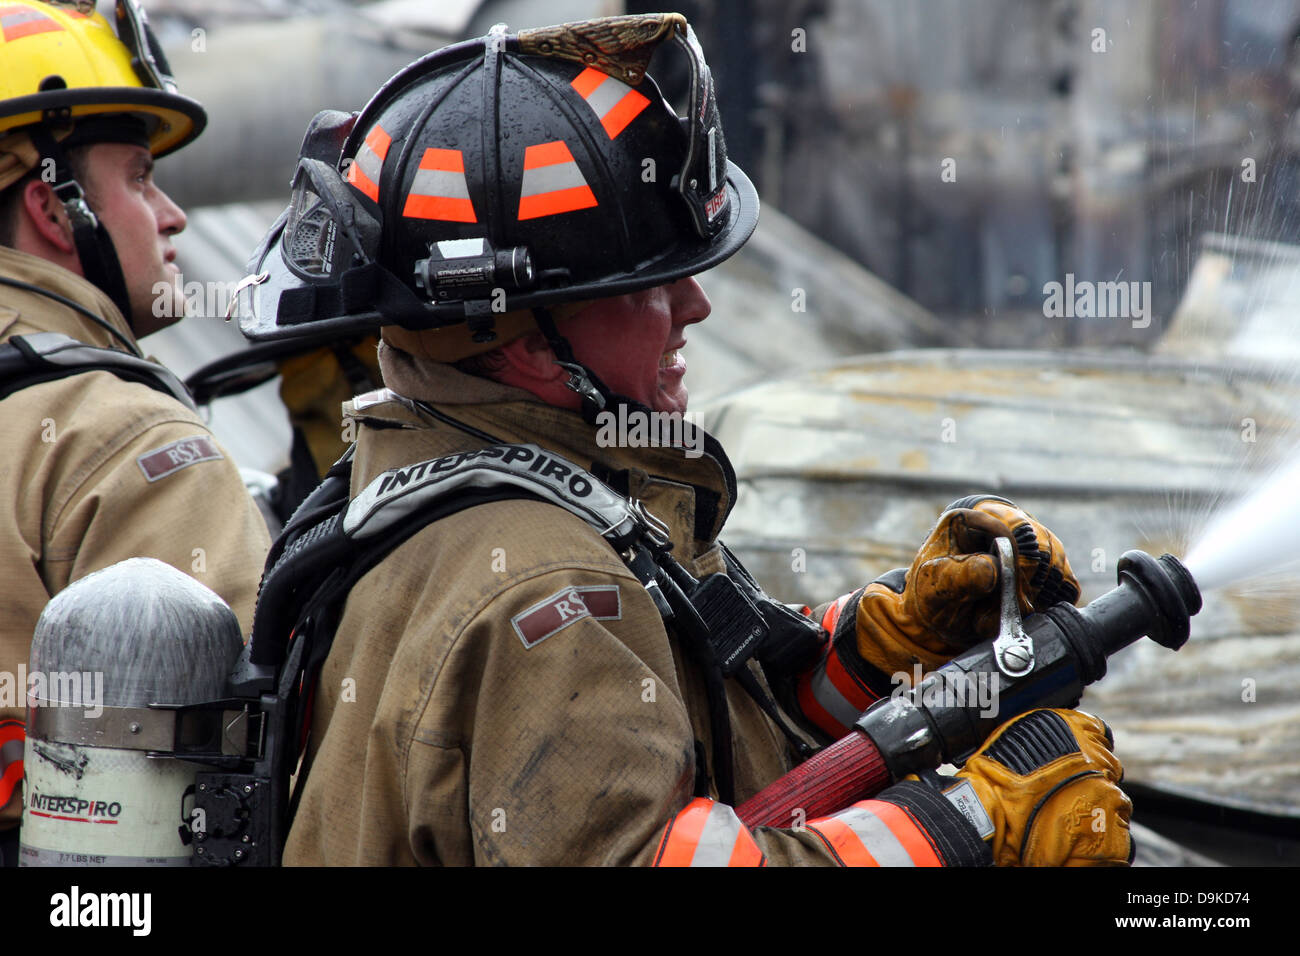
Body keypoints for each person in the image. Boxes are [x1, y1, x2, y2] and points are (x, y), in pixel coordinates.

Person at [238, 13, 1132, 866]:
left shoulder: (440, 486)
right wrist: (978, 822)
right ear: (514, 334)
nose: (695, 306)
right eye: (647, 285)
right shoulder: (551, 592)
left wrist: (876, 646)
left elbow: (700, 736)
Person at [0, 0, 270, 861]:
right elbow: (233, 782)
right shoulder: (129, 442)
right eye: (143, 176)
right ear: (54, 205)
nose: (174, 214)